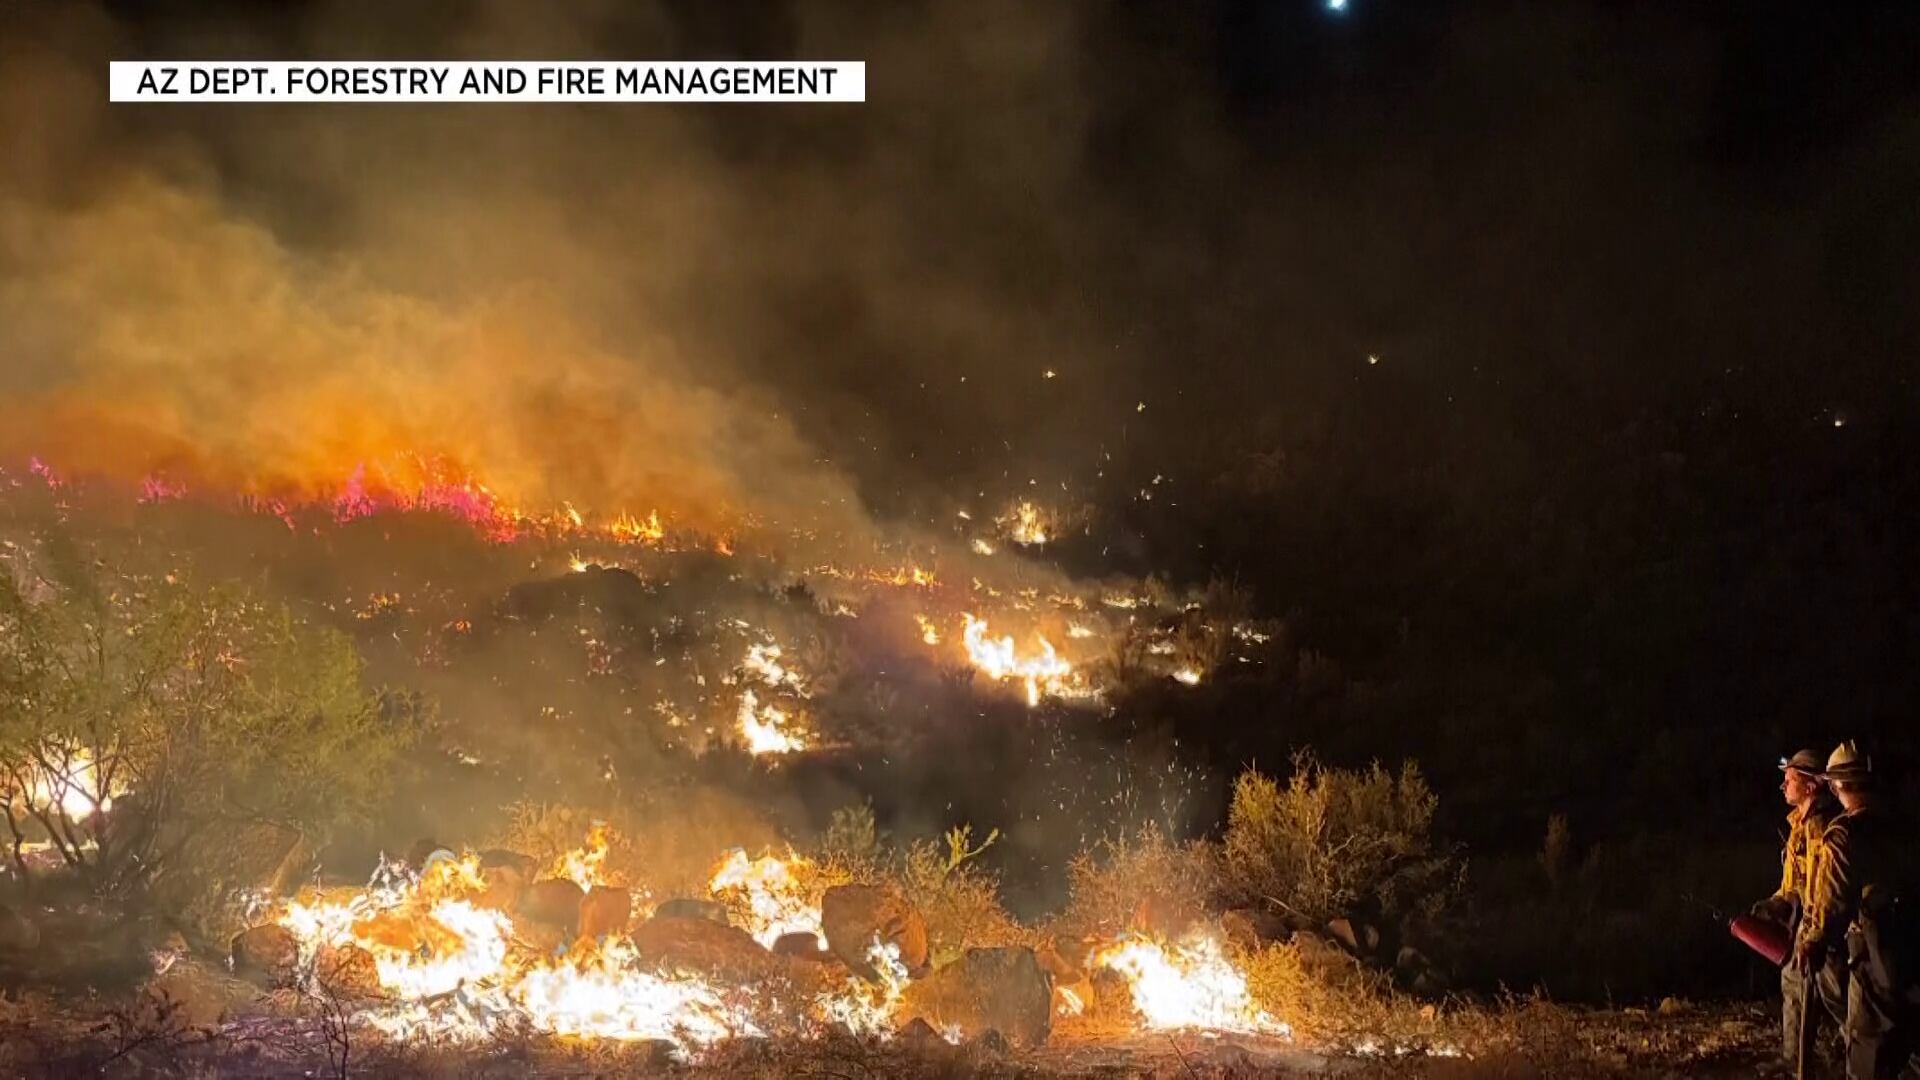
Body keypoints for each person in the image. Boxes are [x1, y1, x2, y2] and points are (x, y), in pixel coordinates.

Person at [1793, 741, 1918, 1078]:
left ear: (1837, 786)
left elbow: (1834, 902)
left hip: (1874, 954)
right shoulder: (1903, 827)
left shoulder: (1844, 834)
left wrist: (1814, 941)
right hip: (1912, 950)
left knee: (1868, 1052)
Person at [1756, 748, 1840, 1067]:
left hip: (1823, 930)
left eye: (1790, 779)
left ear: (1811, 787)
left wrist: (1815, 935)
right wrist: (1773, 905)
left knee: (1841, 1001)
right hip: (1804, 926)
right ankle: (1794, 1062)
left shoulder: (1820, 829)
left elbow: (1823, 890)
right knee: (1793, 990)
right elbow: (1794, 885)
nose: (1784, 786)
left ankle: (1883, 1061)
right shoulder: (1798, 827)